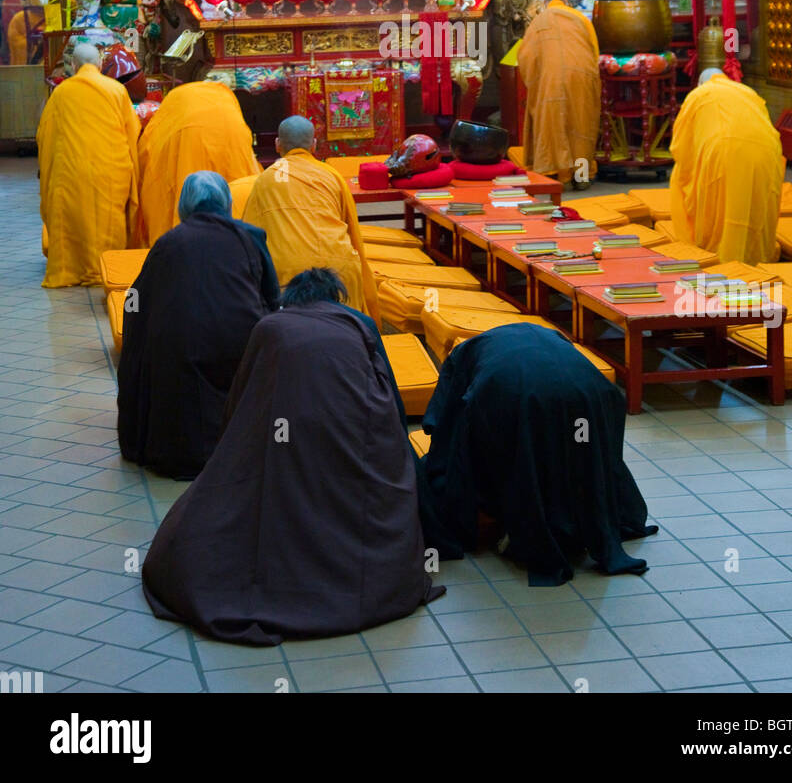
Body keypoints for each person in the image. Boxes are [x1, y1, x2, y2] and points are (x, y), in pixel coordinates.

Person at [141, 266, 441, 643]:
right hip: (349, 432)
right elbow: (390, 400)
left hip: (280, 430)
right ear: (335, 297)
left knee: (273, 496)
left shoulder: (270, 327)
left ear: (293, 298)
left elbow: (242, 398)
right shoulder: (358, 323)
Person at [416, 324, 657, 586]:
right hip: (592, 391)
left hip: (521, 392)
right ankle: (589, 521)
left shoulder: (462, 357)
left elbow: (448, 422)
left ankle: (533, 530)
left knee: (522, 454)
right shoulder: (542, 333)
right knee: (586, 452)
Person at [117, 171, 278, 479]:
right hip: (239, 346)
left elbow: (136, 300)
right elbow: (271, 297)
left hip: (179, 352)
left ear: (184, 206)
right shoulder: (250, 236)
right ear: (228, 203)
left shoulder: (168, 244)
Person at [242, 115, 378, 318]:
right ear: (314, 145)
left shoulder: (266, 179)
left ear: (277, 144)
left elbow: (250, 235)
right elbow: (352, 231)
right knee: (344, 326)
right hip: (338, 271)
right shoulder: (332, 176)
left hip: (288, 275)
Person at [37, 41, 141, 288]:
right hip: (111, 170)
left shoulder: (61, 93)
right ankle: (108, 270)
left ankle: (69, 270)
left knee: (71, 217)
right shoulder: (116, 90)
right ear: (100, 64)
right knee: (108, 221)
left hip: (70, 170)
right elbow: (132, 132)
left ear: (73, 66)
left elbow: (45, 135)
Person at [669, 68, 785, 265]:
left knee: (723, 206)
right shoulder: (748, 92)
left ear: (700, 83)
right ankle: (757, 260)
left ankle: (722, 261)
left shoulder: (698, 94)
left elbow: (681, 145)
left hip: (722, 149)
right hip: (767, 150)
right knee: (757, 202)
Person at [137, 80, 260, 245]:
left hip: (186, 140)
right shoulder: (224, 98)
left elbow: (147, 149)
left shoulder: (173, 103)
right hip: (230, 133)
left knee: (182, 190)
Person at [516, 0, 601, 184]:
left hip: (551, 79)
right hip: (582, 76)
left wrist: (537, 80)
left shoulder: (538, 22)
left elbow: (525, 58)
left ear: (544, 0)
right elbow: (594, 51)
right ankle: (581, 177)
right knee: (581, 127)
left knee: (554, 126)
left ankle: (560, 177)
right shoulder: (581, 18)